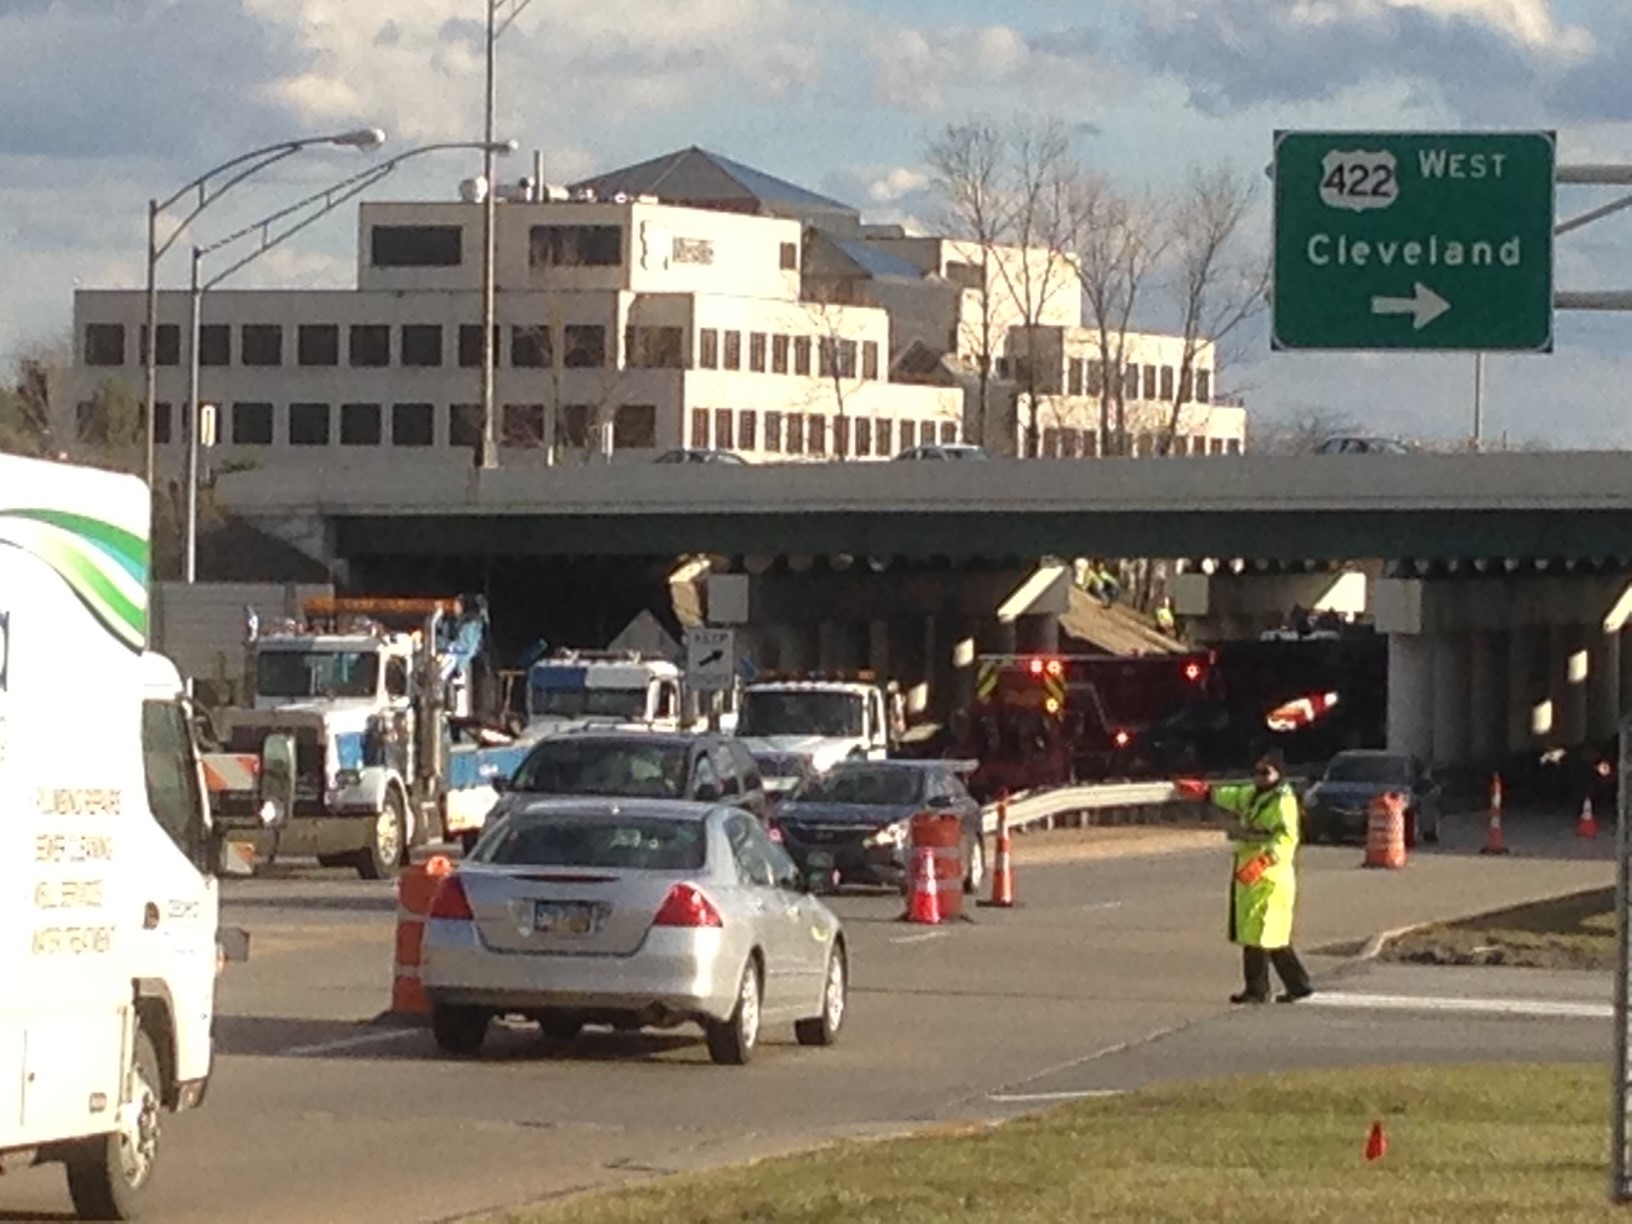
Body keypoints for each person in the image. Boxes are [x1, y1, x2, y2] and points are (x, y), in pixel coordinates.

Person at [1179, 750, 1313, 1005]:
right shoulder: (1253, 794)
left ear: (1279, 775)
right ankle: (1294, 985)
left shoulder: (1283, 800)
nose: (1259, 777)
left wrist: (1265, 860)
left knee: (1262, 933)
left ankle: (1260, 989)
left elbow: (1287, 837)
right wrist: (1206, 791)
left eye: (1266, 772)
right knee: (1262, 933)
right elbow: (1233, 795)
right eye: (1257, 772)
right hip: (1252, 871)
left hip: (1270, 874)